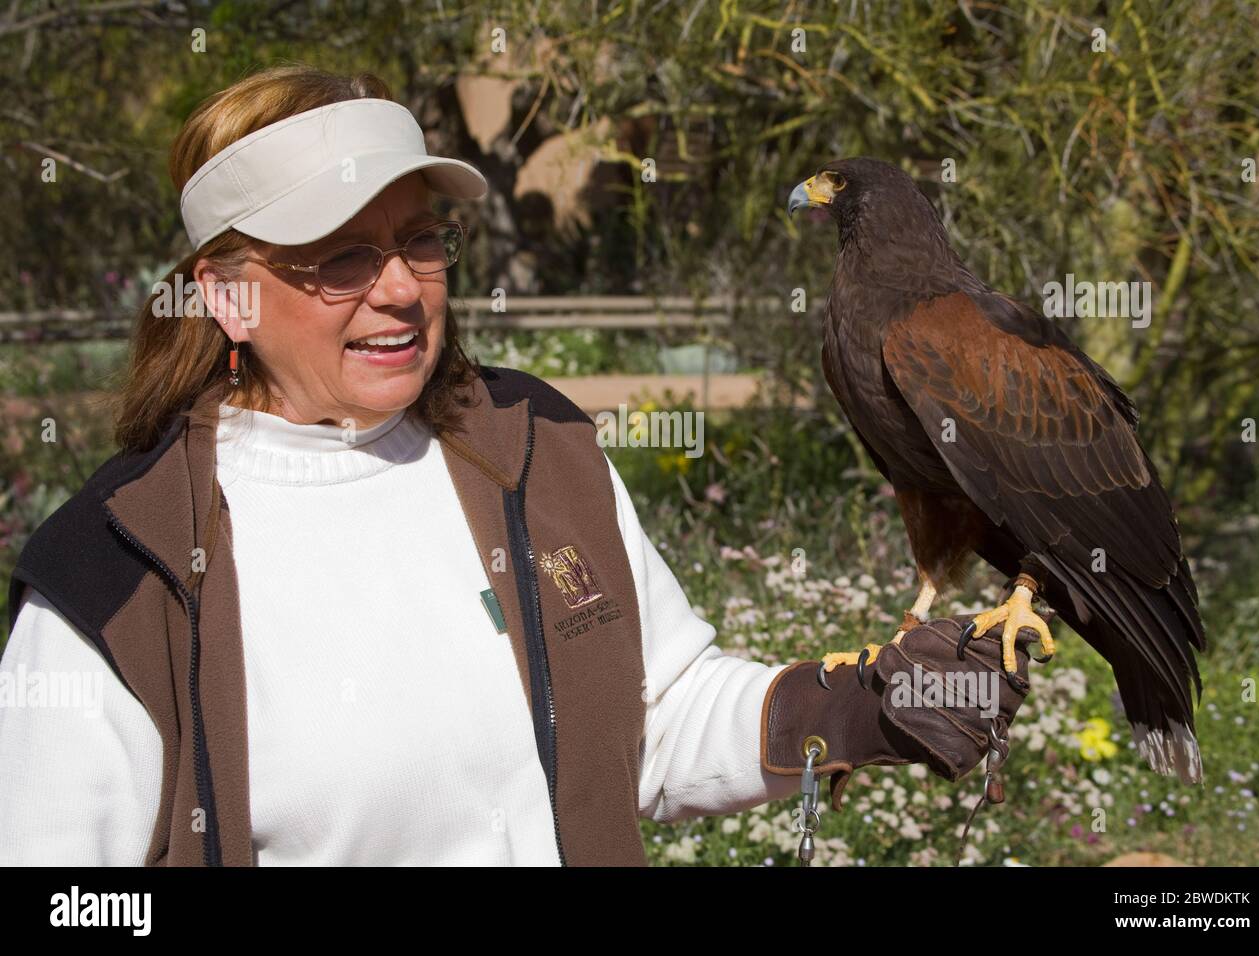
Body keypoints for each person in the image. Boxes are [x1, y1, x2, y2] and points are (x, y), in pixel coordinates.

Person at [0, 65, 1029, 866]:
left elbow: (654, 716)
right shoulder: (113, 571)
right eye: (341, 257)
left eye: (421, 240)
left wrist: (856, 707)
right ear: (227, 295)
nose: (400, 288)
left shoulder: (534, 447)